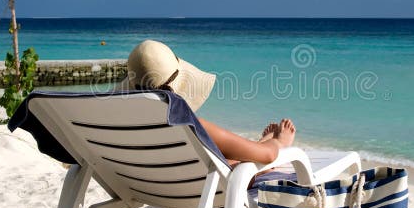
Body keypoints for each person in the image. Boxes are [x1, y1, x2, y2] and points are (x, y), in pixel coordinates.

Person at [118, 39, 296, 168]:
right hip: (203, 192)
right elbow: (269, 155)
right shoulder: (189, 125)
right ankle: (259, 147)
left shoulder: (127, 128)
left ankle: (256, 146)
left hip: (155, 187)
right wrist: (279, 143)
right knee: (257, 159)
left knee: (221, 158)